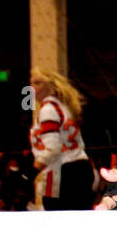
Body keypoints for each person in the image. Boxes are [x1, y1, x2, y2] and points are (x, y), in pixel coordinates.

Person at [28, 68, 94, 211]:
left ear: (50, 87)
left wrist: (29, 173)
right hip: (79, 167)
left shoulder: (48, 109)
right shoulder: (63, 107)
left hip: (65, 172)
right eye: (31, 83)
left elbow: (52, 148)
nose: (31, 87)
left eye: (37, 83)